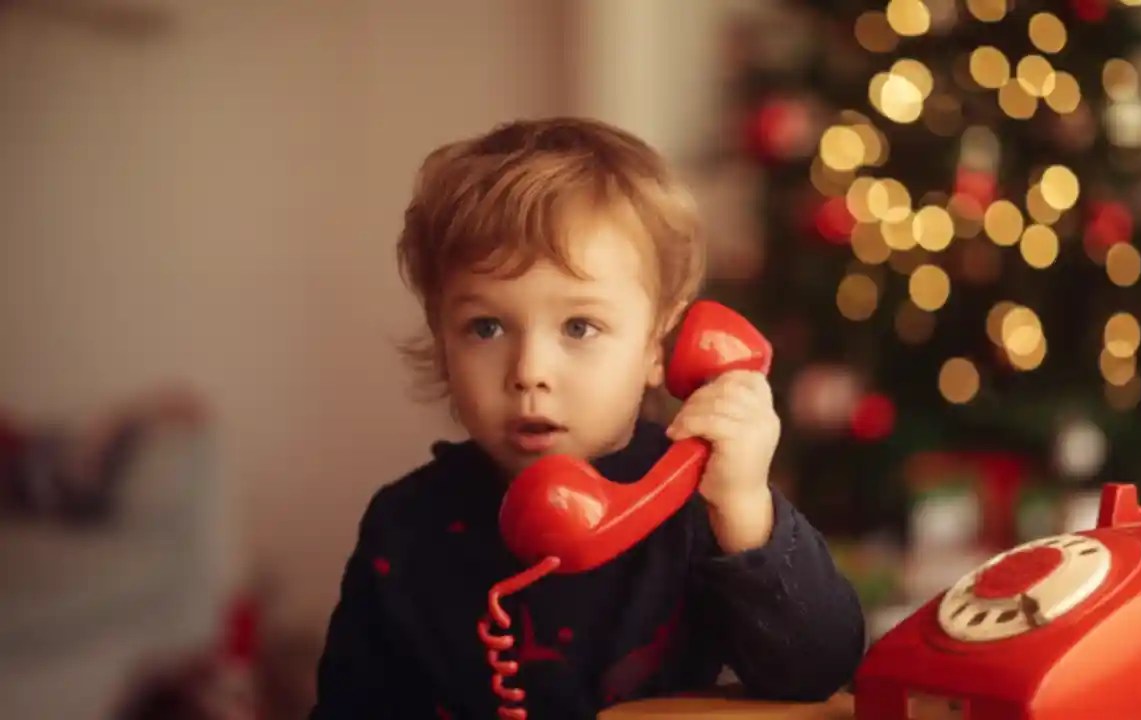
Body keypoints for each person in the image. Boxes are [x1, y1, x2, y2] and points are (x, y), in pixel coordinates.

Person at [310, 117, 865, 719]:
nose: (529, 371)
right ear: (443, 342)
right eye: (486, 327)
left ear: (657, 348)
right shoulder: (404, 528)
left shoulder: (701, 512)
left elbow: (822, 669)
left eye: (580, 327)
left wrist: (746, 512)